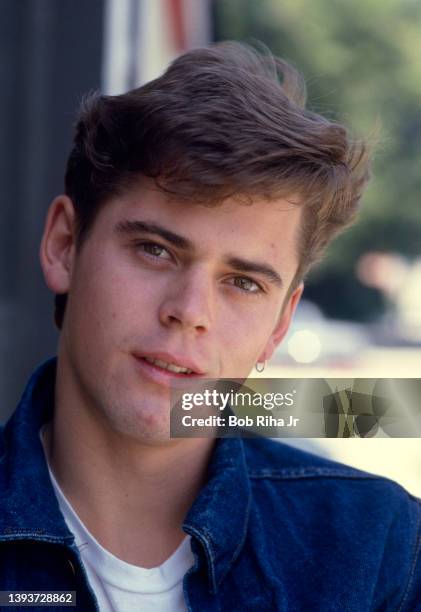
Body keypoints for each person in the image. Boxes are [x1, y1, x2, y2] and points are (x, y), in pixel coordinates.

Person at [1, 42, 420, 611]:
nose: (190, 311)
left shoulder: (379, 552)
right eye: (154, 250)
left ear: (280, 324)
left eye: (244, 283)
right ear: (64, 246)